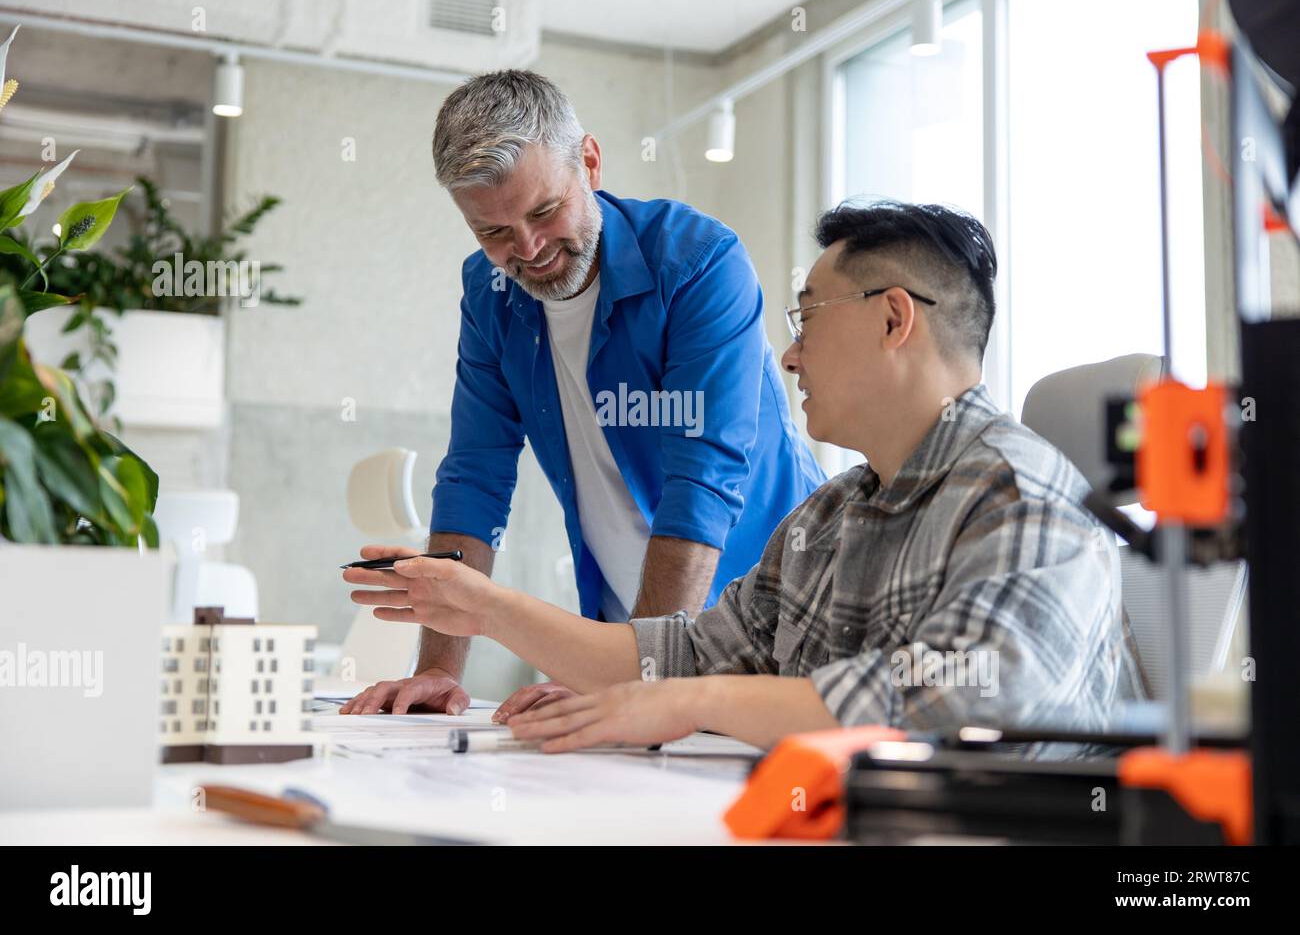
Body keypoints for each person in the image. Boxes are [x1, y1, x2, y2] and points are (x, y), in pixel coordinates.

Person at [343, 200, 1148, 755]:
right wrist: (484, 608)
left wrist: (685, 704)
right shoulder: (830, 515)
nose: (789, 356)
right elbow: (686, 654)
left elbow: (961, 698)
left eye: (808, 318)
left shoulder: (1024, 493)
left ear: (895, 317)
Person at [341, 71, 823, 718]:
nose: (530, 249)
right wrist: (435, 670)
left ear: (589, 163)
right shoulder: (491, 294)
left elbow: (700, 483)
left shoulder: (698, 264)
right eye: (494, 233)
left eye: (544, 212)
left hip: (774, 628)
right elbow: (475, 476)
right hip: (636, 638)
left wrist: (641, 682)